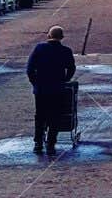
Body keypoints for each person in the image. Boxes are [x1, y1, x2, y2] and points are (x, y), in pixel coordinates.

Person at [26, 25, 77, 154]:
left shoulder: (39, 48)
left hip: (41, 88)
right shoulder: (66, 51)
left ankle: (38, 142)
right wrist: (65, 80)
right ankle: (51, 143)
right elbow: (71, 68)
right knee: (55, 116)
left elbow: (30, 69)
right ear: (62, 37)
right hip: (57, 88)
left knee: (40, 116)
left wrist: (35, 82)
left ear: (49, 35)